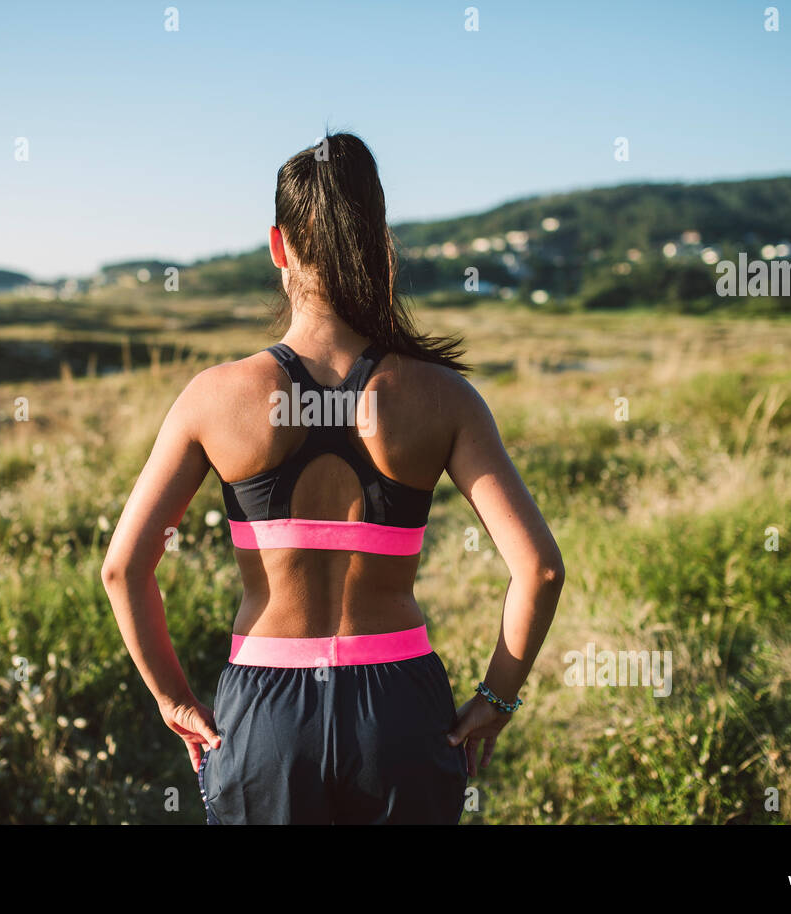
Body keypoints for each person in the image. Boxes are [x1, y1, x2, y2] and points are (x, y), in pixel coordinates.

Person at [101, 132, 564, 824]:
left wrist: (173, 700)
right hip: (401, 712)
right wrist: (495, 702)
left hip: (265, 713)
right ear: (380, 243)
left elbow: (123, 569)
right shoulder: (443, 397)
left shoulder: (214, 397)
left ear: (278, 247)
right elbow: (540, 571)